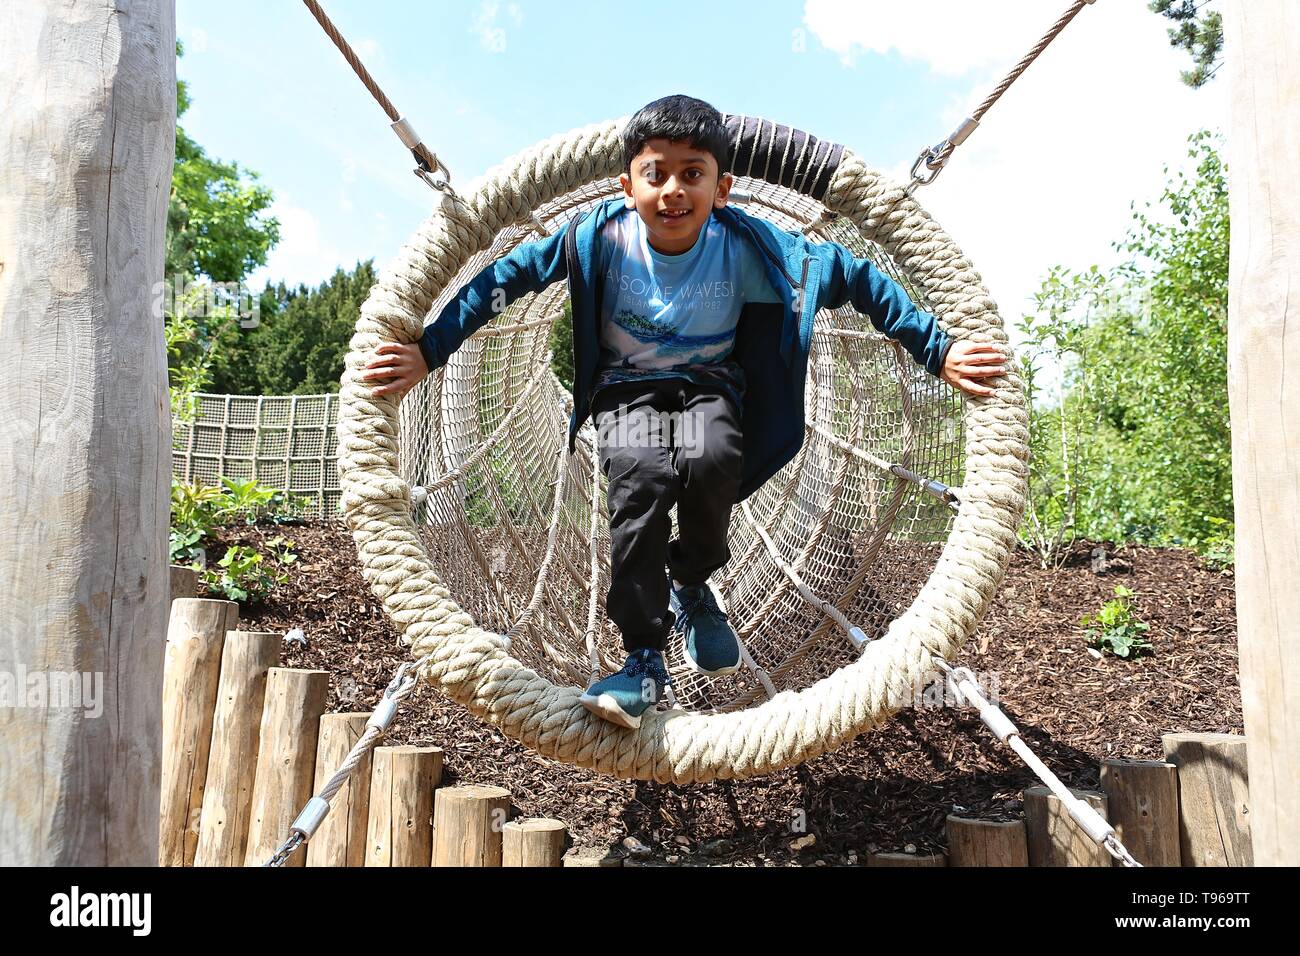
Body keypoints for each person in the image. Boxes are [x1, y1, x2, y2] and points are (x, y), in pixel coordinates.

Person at [360, 94, 1007, 729]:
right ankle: (643, 659)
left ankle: (691, 581)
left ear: (721, 189)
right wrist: (432, 348)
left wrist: (939, 348)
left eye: (691, 174)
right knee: (638, 496)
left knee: (712, 459)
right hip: (629, 392)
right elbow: (506, 280)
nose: (673, 190)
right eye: (656, 173)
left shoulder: (749, 253)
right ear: (626, 185)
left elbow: (859, 278)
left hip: (710, 389)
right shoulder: (599, 241)